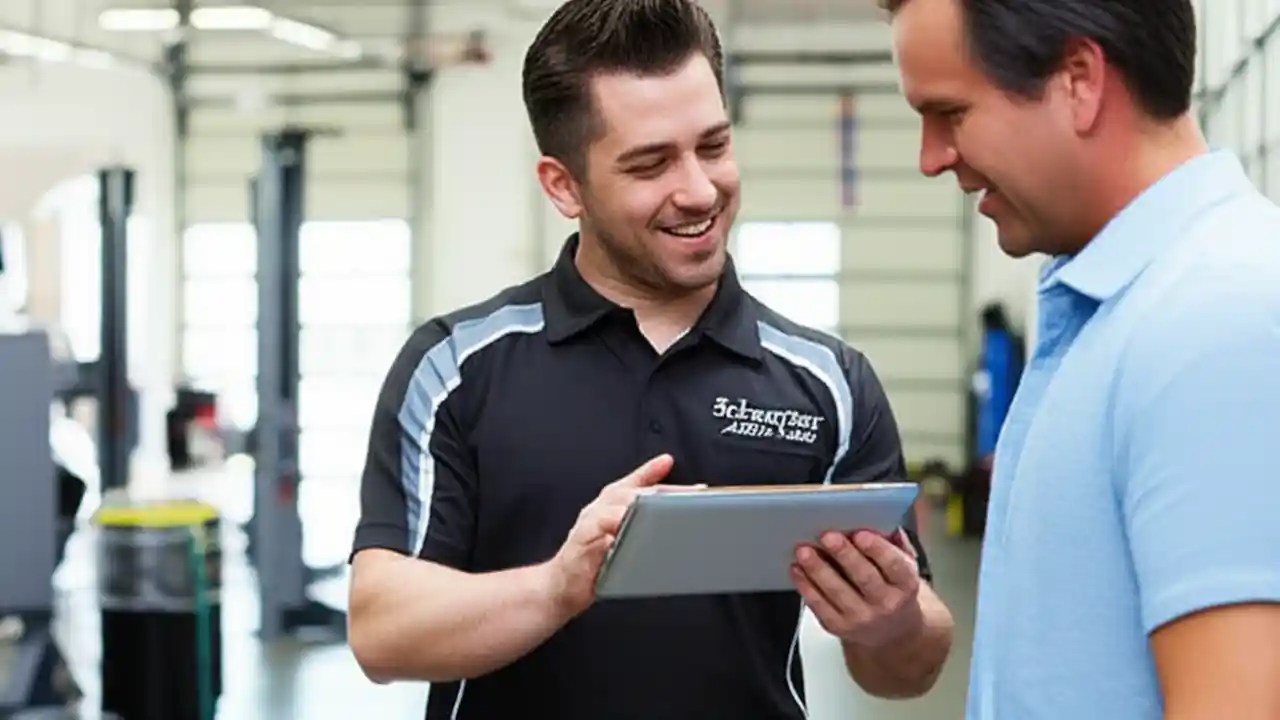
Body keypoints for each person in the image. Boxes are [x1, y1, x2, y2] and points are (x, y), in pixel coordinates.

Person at [346, 1, 956, 718]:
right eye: (650, 163)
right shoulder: (455, 368)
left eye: (714, 146)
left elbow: (907, 670)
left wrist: (891, 625)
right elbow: (381, 630)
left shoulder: (828, 382)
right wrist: (557, 587)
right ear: (564, 186)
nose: (699, 190)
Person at [879, 0, 1280, 718]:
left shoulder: (1220, 317)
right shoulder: (1120, 309)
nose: (931, 156)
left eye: (952, 113)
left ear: (1078, 80)